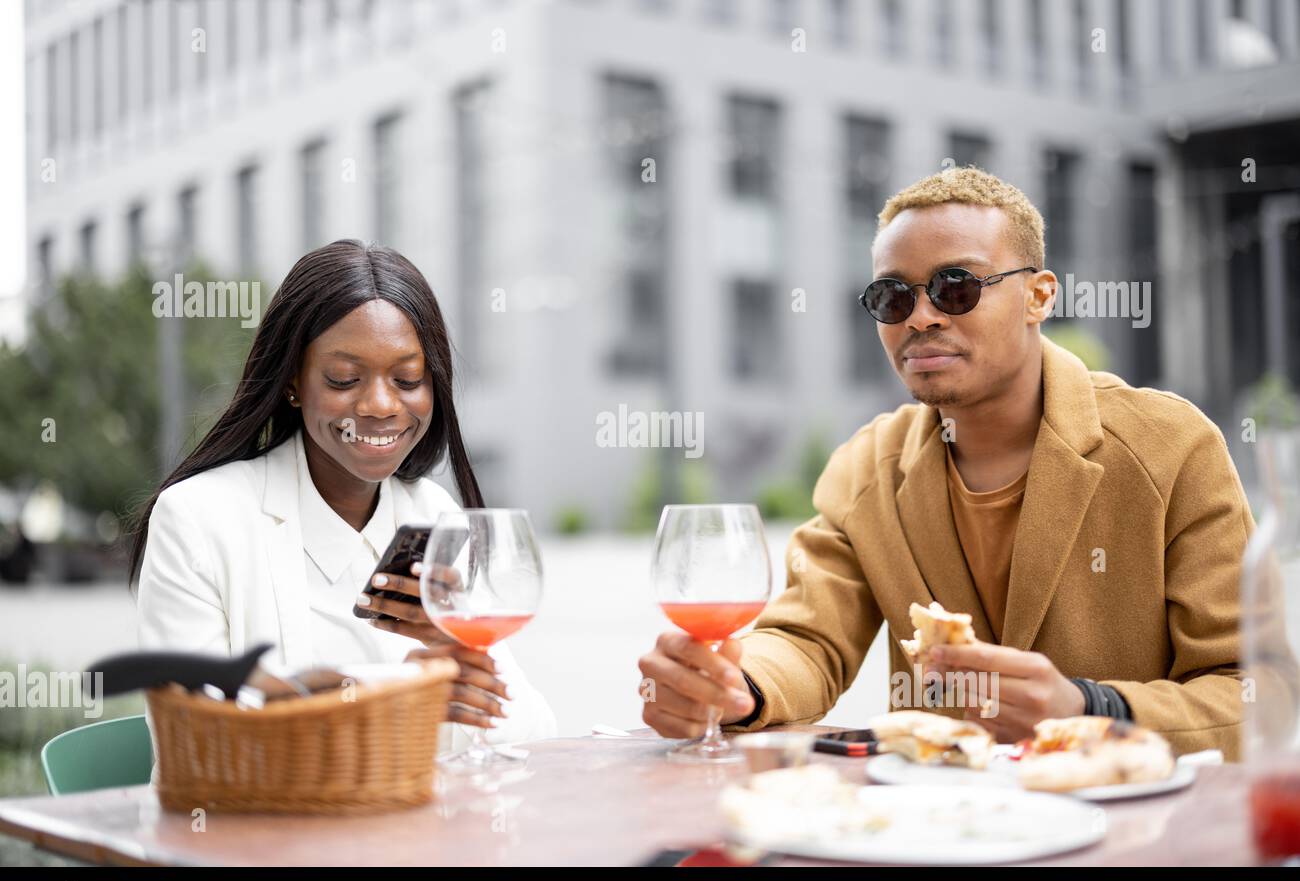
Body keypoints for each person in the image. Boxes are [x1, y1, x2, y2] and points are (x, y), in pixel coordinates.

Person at [638, 167, 1250, 758]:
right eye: (892, 296)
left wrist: (1090, 710)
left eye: (956, 287)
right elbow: (805, 640)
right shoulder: (866, 468)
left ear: (1039, 296)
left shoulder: (1172, 446)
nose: (921, 316)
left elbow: (1252, 688)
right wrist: (735, 690)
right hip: (938, 828)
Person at [129, 240, 556, 751]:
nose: (380, 404)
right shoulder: (198, 518)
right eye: (344, 378)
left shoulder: (432, 515)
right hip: (247, 830)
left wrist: (454, 642)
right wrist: (396, 699)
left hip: (407, 829)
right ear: (293, 381)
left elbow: (530, 738)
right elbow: (195, 739)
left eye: (407, 378)